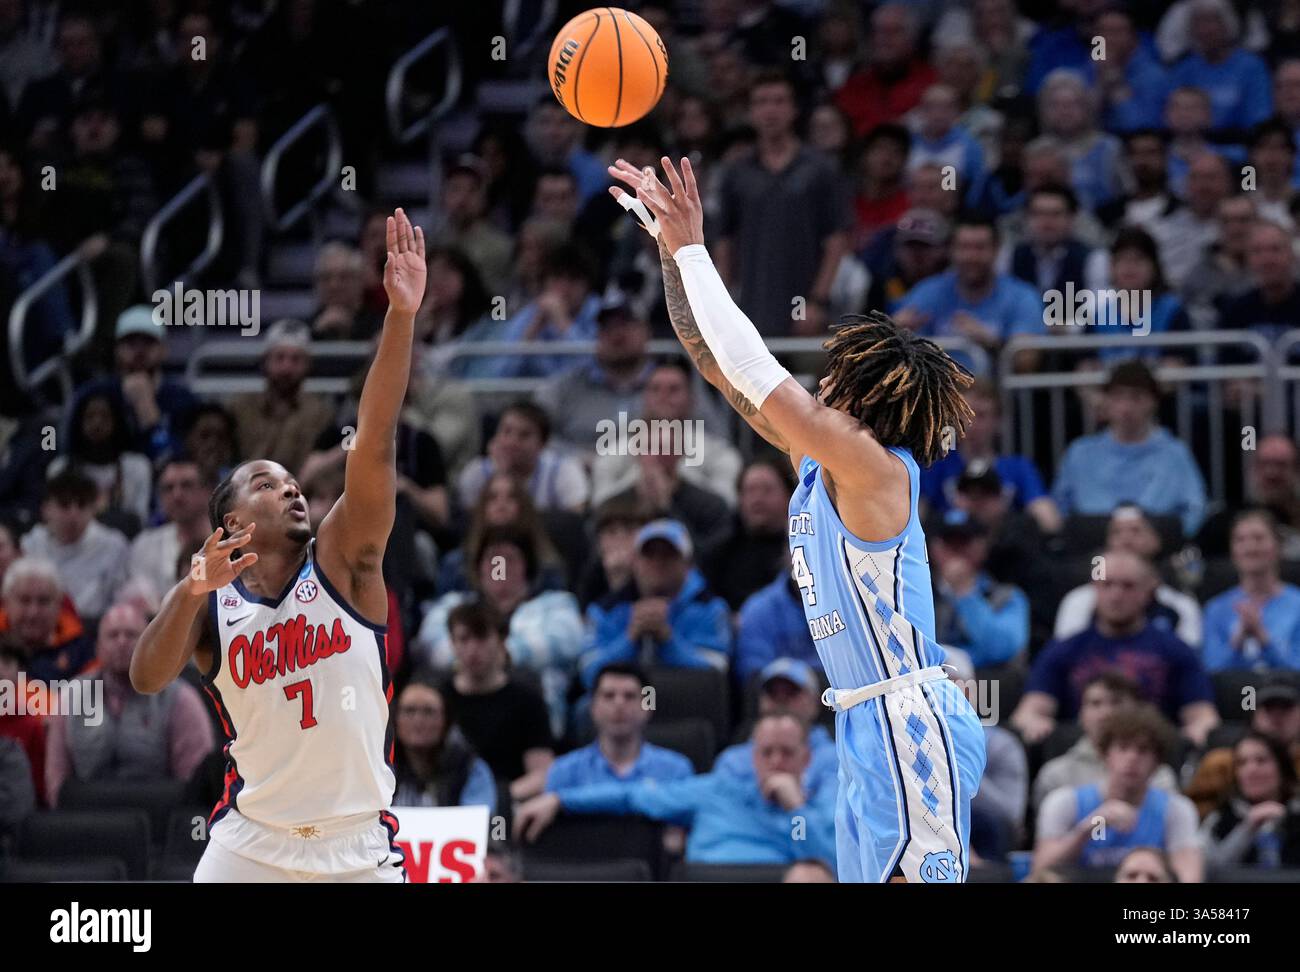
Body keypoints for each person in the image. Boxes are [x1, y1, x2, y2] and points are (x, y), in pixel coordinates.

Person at [607, 155, 986, 883]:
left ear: (860, 396)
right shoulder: (820, 461)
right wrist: (671, 254)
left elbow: (754, 366)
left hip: (908, 716)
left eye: (836, 372)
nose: (821, 376)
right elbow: (715, 361)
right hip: (861, 720)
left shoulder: (877, 469)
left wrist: (696, 248)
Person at [128, 208, 429, 883]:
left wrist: (400, 317)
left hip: (358, 846)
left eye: (292, 481)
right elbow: (145, 677)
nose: (291, 488)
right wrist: (190, 589)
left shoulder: (344, 560)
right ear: (231, 522)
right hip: (250, 844)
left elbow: (374, 438)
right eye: (266, 483)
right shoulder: (212, 605)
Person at [514, 713, 837, 869]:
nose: (776, 761)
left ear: (806, 758)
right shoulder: (716, 789)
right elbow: (632, 795)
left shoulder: (821, 811)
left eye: (787, 752)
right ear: (752, 757)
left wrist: (796, 808)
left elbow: (834, 867)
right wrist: (559, 799)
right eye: (767, 752)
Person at [1012, 550, 1220, 747]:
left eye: (1128, 586)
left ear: (1148, 593)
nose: (1116, 594)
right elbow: (1029, 711)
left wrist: (1196, 732)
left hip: (1149, 755)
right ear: (1094, 588)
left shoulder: (1175, 650)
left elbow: (1203, 716)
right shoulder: (1065, 649)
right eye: (1107, 584)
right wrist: (1035, 722)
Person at [414, 524, 584, 739]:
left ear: (527, 567)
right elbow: (433, 648)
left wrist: (492, 656)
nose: (500, 567)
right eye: (493, 559)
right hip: (459, 718)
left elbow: (565, 641)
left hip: (534, 721)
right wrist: (491, 656)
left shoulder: (555, 604)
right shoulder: (453, 604)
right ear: (479, 569)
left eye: (509, 559)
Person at [45, 603, 212, 806]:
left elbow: (195, 784)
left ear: (151, 644)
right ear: (97, 648)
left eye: (131, 635)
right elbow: (57, 781)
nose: (122, 642)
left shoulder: (180, 699)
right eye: (113, 635)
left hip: (159, 817)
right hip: (85, 818)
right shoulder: (70, 696)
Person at [1033, 705, 1204, 882]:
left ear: (1157, 761)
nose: (1132, 758)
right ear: (1105, 754)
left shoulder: (1175, 810)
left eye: (1143, 750)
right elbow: (1040, 873)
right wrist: (1089, 828)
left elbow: (1189, 876)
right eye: (1123, 748)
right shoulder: (1066, 803)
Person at [1051, 359, 1208, 536]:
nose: (1126, 407)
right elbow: (1059, 509)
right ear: (1106, 400)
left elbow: (1195, 510)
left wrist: (1165, 539)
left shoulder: (1174, 453)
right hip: (1094, 546)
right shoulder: (1080, 453)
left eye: (1136, 397)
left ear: (1153, 402)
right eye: (1118, 397)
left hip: (1158, 545)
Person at [579, 518, 731, 688]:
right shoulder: (606, 609)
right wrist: (631, 638)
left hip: (686, 698)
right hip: (627, 699)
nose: (658, 563)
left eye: (668, 555)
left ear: (687, 564)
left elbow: (716, 674)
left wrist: (668, 641)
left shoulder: (709, 608)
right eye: (649, 555)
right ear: (635, 562)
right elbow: (589, 673)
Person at [434, 601, 554, 802]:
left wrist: (494, 798)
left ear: (502, 640)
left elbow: (542, 774)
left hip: (506, 805)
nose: (473, 649)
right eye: (464, 639)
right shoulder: (437, 698)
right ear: (452, 643)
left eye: (481, 638)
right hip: (443, 805)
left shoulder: (527, 700)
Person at [919, 379, 1061, 534]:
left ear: (998, 421)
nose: (971, 424)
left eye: (981, 415)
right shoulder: (936, 468)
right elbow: (913, 521)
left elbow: (1049, 522)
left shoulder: (1019, 468)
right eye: (965, 415)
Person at [1053, 505, 1202, 647]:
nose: (1126, 538)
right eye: (1117, 532)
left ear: (1156, 541)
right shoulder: (1080, 601)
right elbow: (1065, 656)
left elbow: (1188, 656)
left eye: (1136, 531)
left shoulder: (1180, 604)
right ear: (1107, 543)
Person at [1031, 672, 1180, 811]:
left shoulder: (1161, 778)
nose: (1106, 713)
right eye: (1095, 704)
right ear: (1081, 714)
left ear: (1136, 710)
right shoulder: (1056, 775)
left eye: (1116, 702)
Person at [545, 663, 693, 791]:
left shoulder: (675, 771)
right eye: (609, 696)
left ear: (647, 707)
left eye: (630, 696)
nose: (619, 704)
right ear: (592, 707)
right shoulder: (564, 773)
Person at [225, 320, 335, 477]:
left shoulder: (321, 413)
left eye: (296, 359)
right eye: (279, 358)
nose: (286, 368)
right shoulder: (240, 407)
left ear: (308, 365)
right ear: (265, 362)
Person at [22, 469, 129, 623]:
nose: (74, 514)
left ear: (93, 509)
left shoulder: (114, 546)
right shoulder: (31, 545)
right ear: (46, 509)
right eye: (64, 505)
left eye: (81, 505)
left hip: (95, 626)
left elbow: (119, 603)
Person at [714, 658, 837, 791]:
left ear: (815, 702)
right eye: (772, 692)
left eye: (791, 692)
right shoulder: (732, 761)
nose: (781, 700)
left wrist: (796, 801)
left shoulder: (838, 759)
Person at [929, 510, 1029, 669]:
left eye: (964, 541)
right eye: (948, 542)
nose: (956, 549)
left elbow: (1003, 649)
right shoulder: (915, 594)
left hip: (987, 681)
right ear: (934, 547)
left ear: (982, 547)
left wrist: (964, 592)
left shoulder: (1007, 597)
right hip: (925, 679)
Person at [1202, 510, 1300, 672]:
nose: (1250, 548)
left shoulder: (1297, 605)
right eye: (1240, 540)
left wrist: (1263, 639)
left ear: (1278, 546)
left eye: (1259, 538)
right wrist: (1238, 640)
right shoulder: (1216, 609)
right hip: (1235, 689)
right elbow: (1211, 672)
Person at [456, 401, 590, 515]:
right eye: (506, 431)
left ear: (543, 444)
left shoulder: (564, 471)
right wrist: (501, 475)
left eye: (524, 435)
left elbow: (574, 524)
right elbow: (473, 528)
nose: (512, 442)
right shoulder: (476, 473)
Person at [700, 458, 794, 611]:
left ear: (789, 496)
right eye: (750, 491)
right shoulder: (719, 553)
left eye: (767, 490)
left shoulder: (801, 546)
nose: (758, 499)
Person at [391, 679, 496, 812]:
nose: (418, 721)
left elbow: (477, 818)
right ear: (395, 718)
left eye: (429, 712)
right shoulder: (381, 767)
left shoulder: (470, 768)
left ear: (446, 720)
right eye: (409, 711)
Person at [1199, 733, 1300, 868]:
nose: (1251, 770)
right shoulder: (1219, 820)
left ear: (1281, 767)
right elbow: (1208, 869)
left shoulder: (1297, 814)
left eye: (1261, 760)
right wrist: (1248, 827)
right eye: (1241, 763)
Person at [129, 457, 214, 607]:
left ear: (208, 491)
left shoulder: (231, 540)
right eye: (168, 488)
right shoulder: (145, 546)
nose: (177, 495)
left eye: (187, 485)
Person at [0, 558, 93, 682]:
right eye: (24, 600)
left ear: (59, 604)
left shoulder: (83, 650)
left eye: (43, 601)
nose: (33, 612)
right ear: (6, 602)